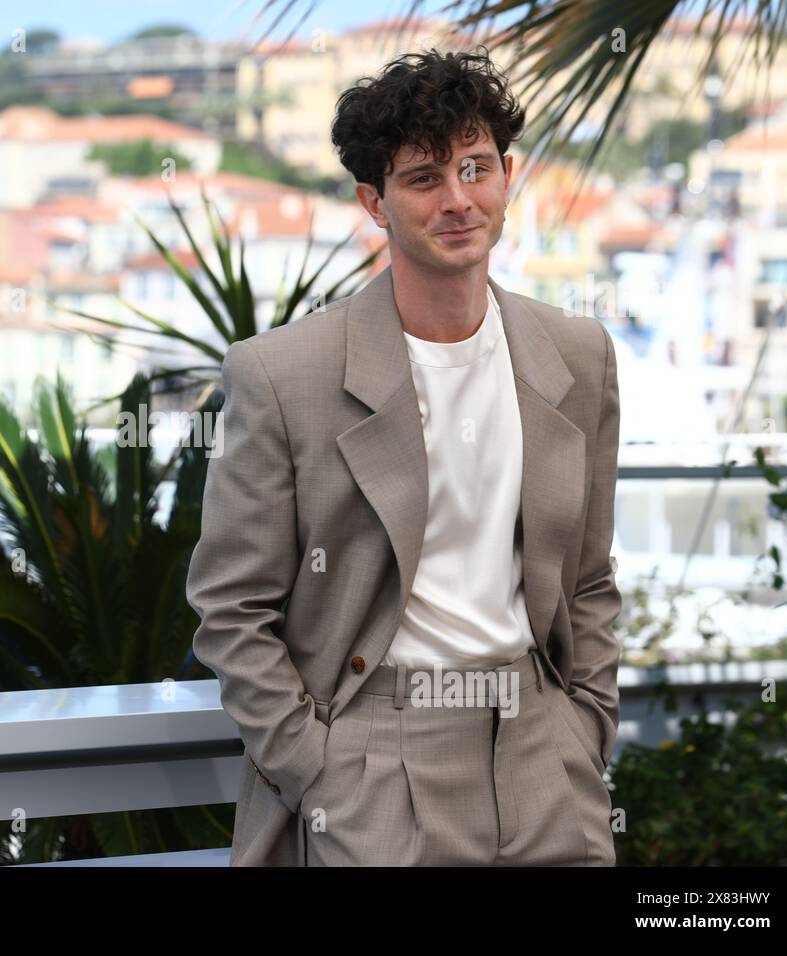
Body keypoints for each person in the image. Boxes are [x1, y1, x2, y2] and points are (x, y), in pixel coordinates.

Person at [185, 46, 622, 866]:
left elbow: (590, 575)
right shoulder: (283, 374)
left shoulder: (578, 354)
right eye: (424, 178)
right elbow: (231, 608)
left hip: (545, 757)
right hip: (376, 765)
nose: (458, 199)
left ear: (507, 175)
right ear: (374, 202)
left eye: (475, 167)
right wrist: (318, 772)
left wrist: (585, 727)